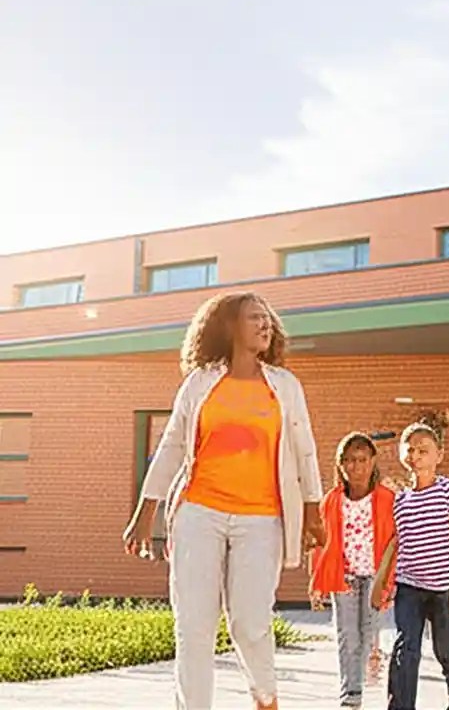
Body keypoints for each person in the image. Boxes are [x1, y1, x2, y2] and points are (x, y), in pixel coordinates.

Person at [121, 290, 326, 710]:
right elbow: (172, 446)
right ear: (229, 326)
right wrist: (146, 512)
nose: (265, 324)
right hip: (199, 513)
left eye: (268, 318)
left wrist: (312, 510)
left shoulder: (285, 386)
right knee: (193, 625)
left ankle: (265, 697)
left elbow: (305, 450)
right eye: (255, 318)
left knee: (250, 623)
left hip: (262, 519)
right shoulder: (200, 382)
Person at [373, 410, 449, 710]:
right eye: (410, 449)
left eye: (423, 450)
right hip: (409, 587)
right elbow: (395, 542)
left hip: (443, 589)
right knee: (407, 647)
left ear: (438, 455)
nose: (416, 455)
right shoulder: (400, 499)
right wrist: (381, 583)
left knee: (445, 650)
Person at [308, 431, 397, 708]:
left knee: (367, 634)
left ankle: (356, 688)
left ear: (372, 462)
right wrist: (317, 583)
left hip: (375, 577)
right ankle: (351, 696)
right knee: (347, 637)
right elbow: (320, 543)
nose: (356, 467)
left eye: (361, 459)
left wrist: (389, 581)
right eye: (349, 460)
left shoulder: (387, 499)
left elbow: (397, 541)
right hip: (343, 576)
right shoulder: (332, 500)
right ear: (340, 465)